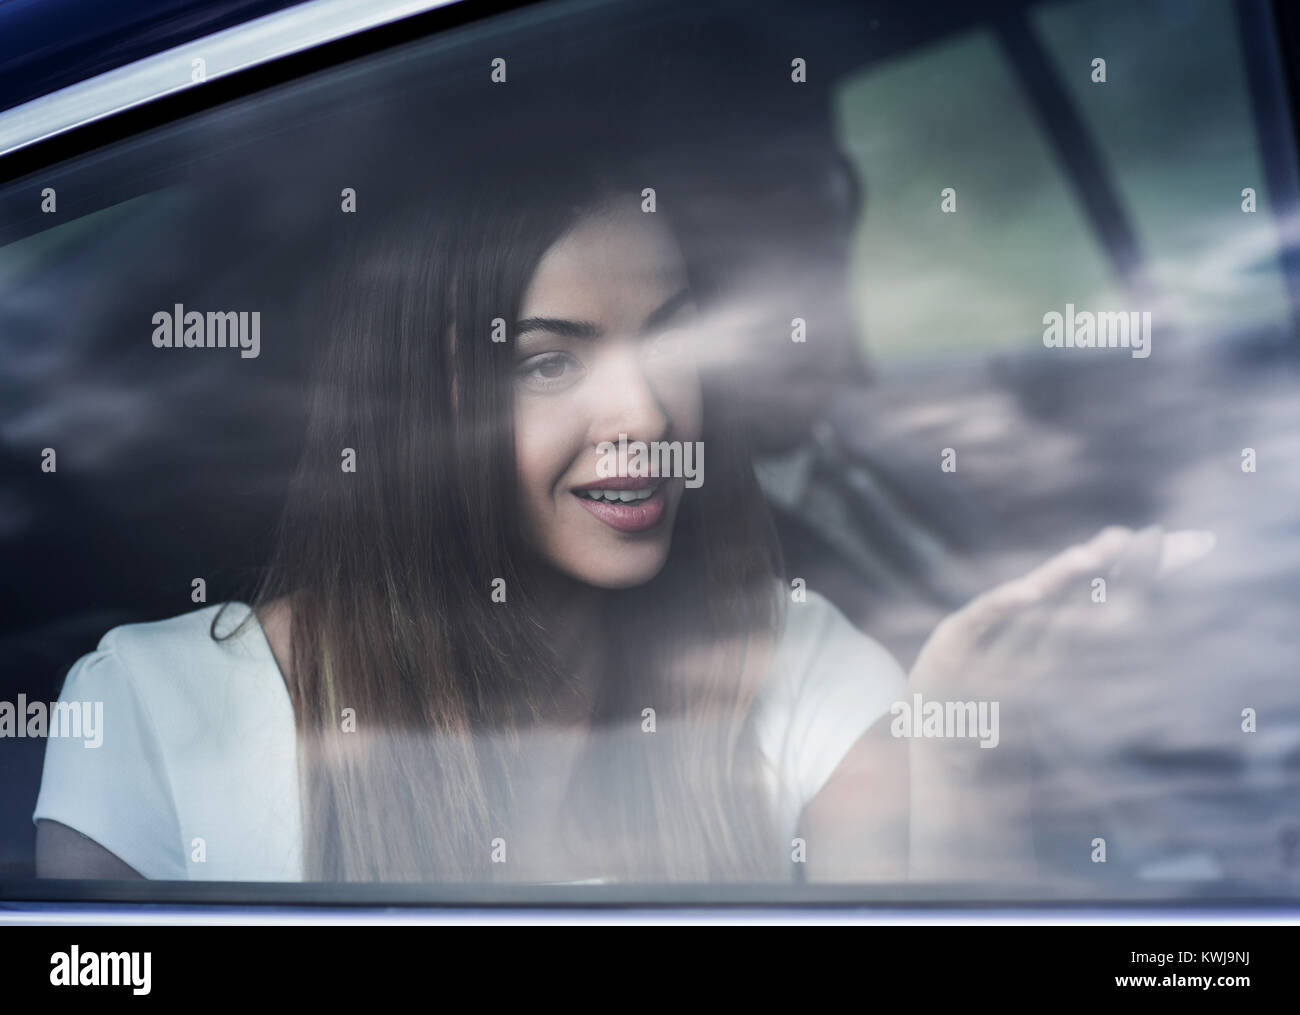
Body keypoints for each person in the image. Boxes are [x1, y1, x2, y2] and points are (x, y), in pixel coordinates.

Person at [33, 146, 1213, 885]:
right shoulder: (147, 713)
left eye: (671, 337)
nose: (645, 408)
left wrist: (961, 757)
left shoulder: (800, 669)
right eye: (549, 364)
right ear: (414, 410)